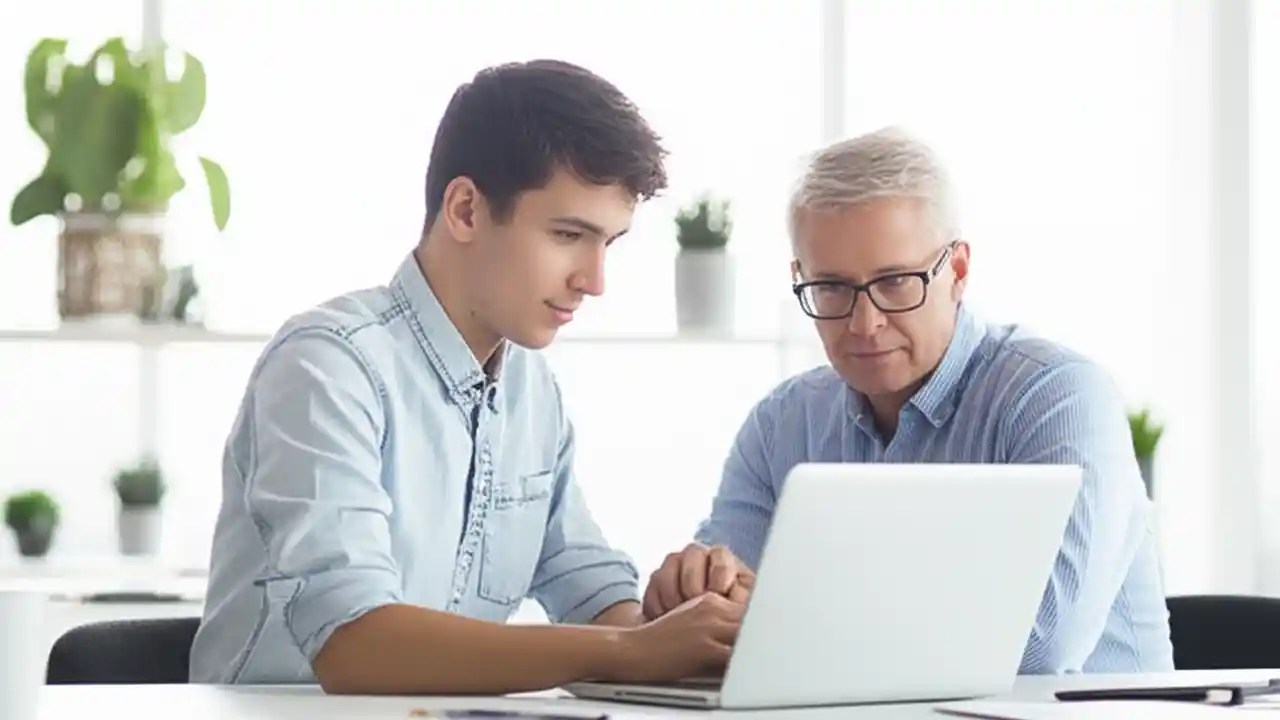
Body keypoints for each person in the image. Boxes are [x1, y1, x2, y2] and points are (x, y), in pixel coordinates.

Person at [189, 59, 745, 694]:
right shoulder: (327, 366)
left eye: (608, 244)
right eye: (568, 234)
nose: (593, 281)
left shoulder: (532, 390)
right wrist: (631, 648)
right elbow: (355, 645)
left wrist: (698, 624)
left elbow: (590, 589)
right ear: (465, 210)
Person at [643, 127, 1175, 675]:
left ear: (958, 272)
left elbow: (1040, 650)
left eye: (896, 281)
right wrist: (692, 591)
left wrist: (788, 629)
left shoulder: (1059, 397)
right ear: (800, 279)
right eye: (832, 288)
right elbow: (712, 624)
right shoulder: (784, 423)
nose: (864, 323)